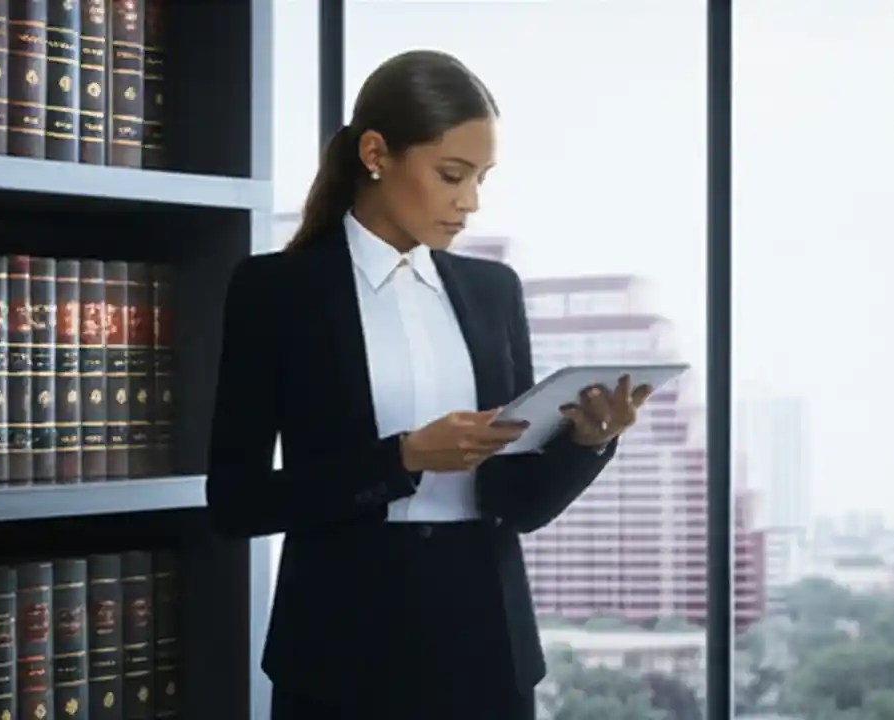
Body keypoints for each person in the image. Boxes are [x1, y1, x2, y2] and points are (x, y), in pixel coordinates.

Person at [206, 49, 653, 720]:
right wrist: (403, 458)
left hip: (488, 655)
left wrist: (586, 443)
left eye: (481, 178)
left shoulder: (492, 291)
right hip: (337, 656)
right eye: (452, 175)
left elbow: (519, 504)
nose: (469, 202)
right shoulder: (276, 290)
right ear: (377, 153)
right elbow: (237, 503)